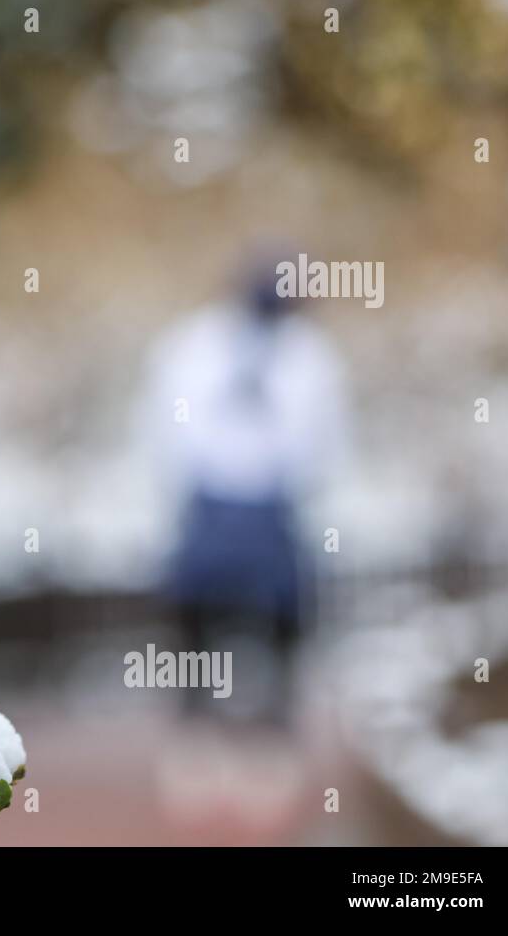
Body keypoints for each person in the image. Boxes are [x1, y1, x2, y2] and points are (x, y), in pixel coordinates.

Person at [141, 249, 347, 728]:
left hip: (276, 503)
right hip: (210, 498)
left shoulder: (310, 351)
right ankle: (192, 716)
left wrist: (306, 483)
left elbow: (327, 430)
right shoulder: (195, 343)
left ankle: (279, 717)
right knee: (195, 607)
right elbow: (165, 419)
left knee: (286, 611)